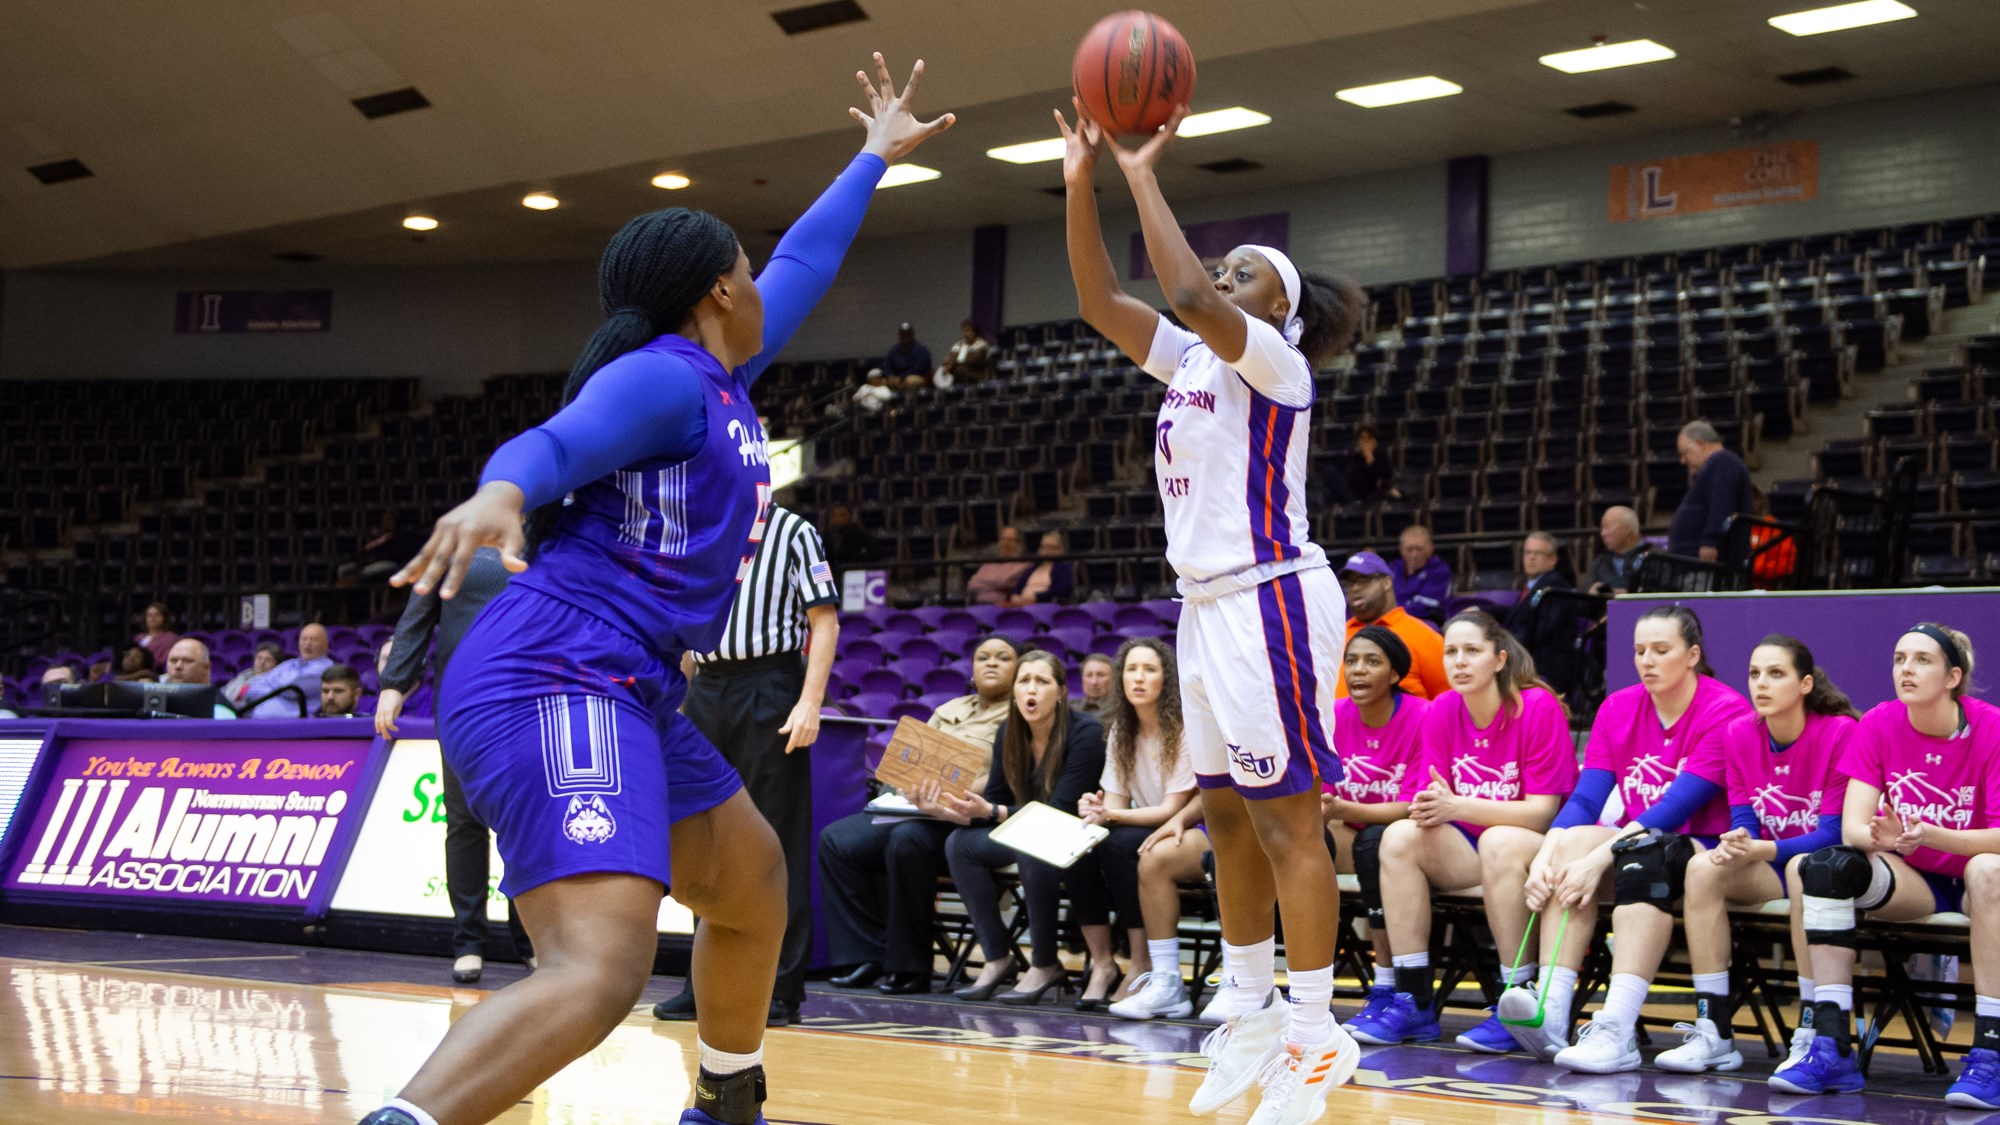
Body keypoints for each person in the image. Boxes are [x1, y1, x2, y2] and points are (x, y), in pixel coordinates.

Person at [359, 54, 952, 1125]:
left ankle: (724, 1102)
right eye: (748, 269)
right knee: (597, 968)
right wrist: (501, 490)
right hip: (556, 671)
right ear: (720, 289)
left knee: (751, 880)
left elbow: (808, 257)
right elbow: (558, 438)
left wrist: (869, 155)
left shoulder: (721, 382)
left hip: (625, 683)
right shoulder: (662, 378)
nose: (768, 283)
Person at [1059, 99, 1368, 1125]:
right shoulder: (1191, 362)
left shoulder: (1275, 365)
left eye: (1252, 275)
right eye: (1229, 268)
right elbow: (1103, 298)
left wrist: (1143, 172)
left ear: (1278, 312)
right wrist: (1077, 181)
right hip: (1204, 609)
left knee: (1286, 822)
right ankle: (1246, 1010)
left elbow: (1185, 287)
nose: (1227, 278)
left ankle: (1320, 1035)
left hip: (1271, 597)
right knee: (1227, 814)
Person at [1558, 635, 1856, 1076]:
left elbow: (1834, 833)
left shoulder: (1839, 732)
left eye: (1776, 674)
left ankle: (1812, 1031)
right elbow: (1744, 816)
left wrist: (1763, 848)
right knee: (1702, 867)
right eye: (1755, 674)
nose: (1761, 684)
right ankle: (1714, 1029)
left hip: (1817, 865)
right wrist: (1741, 842)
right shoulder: (1740, 733)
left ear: (1806, 684)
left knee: (1801, 869)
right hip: (1765, 857)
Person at [1510, 606, 1753, 1062]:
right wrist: (1549, 852)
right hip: (1638, 845)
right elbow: (1585, 800)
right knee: (1576, 839)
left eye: (1662, 650)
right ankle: (1553, 1007)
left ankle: (1616, 1027)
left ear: (1693, 655)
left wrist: (1595, 860)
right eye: (1640, 650)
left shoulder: (1726, 711)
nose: (1647, 660)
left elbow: (1675, 808)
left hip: (1702, 847)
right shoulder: (1618, 706)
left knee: (1634, 855)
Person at [1774, 624, 2000, 1105]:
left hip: (1973, 876)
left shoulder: (1991, 728)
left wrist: (1932, 836)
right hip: (1913, 877)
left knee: (1987, 871)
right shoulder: (1879, 721)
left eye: (1922, 660)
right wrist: (1890, 839)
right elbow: (1854, 827)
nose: (1906, 669)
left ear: (1953, 676)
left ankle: (1991, 1052)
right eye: (1900, 659)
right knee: (1824, 867)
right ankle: (1831, 1045)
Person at [1344, 611, 1575, 1050]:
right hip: (1468, 844)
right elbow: (1431, 800)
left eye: (1473, 651)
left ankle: (1516, 998)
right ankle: (1413, 999)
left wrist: (1457, 806)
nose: (1459, 662)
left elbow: (1543, 813)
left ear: (1500, 659)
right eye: (1451, 652)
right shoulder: (1443, 709)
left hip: (1538, 845)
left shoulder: (1536, 706)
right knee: (1397, 838)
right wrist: (1434, 808)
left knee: (1499, 841)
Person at [654, 504, 840, 1026]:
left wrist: (809, 701)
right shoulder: (699, 528)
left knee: (775, 840)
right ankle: (700, 983)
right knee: (702, 835)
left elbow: (823, 622)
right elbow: (684, 629)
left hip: (771, 684)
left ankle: (780, 987)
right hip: (708, 688)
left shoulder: (795, 530)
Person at [818, 635, 1018, 994]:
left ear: (1018, 670)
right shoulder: (949, 709)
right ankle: (867, 954)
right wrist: (903, 787)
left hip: (963, 819)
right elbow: (909, 765)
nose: (991, 662)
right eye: (983, 657)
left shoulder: (1019, 719)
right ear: (971, 669)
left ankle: (910, 967)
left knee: (906, 840)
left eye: (1003, 658)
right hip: (915, 809)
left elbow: (1006, 784)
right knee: (837, 839)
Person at [922, 652, 1112, 1005]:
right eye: (1024, 681)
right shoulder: (1008, 732)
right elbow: (990, 804)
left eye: (1042, 681)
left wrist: (993, 811)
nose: (1031, 689)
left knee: (1031, 845)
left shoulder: (1086, 732)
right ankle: (998, 958)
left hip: (1074, 833)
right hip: (1023, 830)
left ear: (1060, 691)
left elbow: (1060, 810)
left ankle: (1044, 963)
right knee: (960, 844)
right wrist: (948, 811)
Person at [378, 547, 525, 983]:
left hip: (530, 695)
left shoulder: (549, 538)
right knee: (463, 822)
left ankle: (534, 939)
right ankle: (468, 941)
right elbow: (416, 616)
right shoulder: (455, 546)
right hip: (462, 699)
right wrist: (395, 683)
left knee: (525, 822)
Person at [1079, 639, 1198, 1016]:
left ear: (1167, 679)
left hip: (1189, 826)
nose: (1139, 678)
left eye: (1149, 669)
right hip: (1142, 825)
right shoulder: (1121, 730)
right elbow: (1113, 803)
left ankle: (1142, 962)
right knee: (1084, 845)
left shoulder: (1183, 729)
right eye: (1131, 669)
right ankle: (1103, 961)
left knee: (1115, 844)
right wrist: (1097, 809)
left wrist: (1111, 817)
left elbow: (1171, 808)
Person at [1319, 627, 1428, 1032]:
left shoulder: (1422, 716)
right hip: (1352, 826)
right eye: (1351, 661)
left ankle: (1386, 987)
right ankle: (1301, 989)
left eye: (1372, 662)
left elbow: (1414, 804)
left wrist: (1346, 807)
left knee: (1373, 843)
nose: (1358, 671)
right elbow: (1326, 802)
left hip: (1410, 836)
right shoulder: (1334, 714)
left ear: (1395, 674)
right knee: (1310, 844)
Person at [1336, 551, 1446, 699]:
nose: (1354, 588)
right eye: (1349, 583)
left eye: (1363, 580)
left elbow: (1449, 702)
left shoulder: (1424, 636)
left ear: (1387, 582)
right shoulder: (1336, 636)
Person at [1668, 420, 1754, 562]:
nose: (1682, 461)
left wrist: (1710, 539)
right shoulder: (1717, 464)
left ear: (1701, 443)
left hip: (1706, 562)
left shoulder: (1722, 461)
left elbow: (1722, 502)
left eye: (1684, 453)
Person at [1503, 533, 1578, 692]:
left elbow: (1542, 630)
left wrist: (1504, 645)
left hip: (1542, 665)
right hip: (1525, 658)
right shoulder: (1533, 586)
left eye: (1537, 553)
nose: (1531, 558)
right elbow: (1518, 614)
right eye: (1528, 552)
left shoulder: (1555, 588)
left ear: (1552, 560)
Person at [246, 623, 334, 718]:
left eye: (314, 639)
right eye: (304, 639)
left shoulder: (326, 669)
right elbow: (253, 688)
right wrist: (281, 689)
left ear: (326, 644)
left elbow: (292, 691)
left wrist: (271, 684)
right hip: (259, 723)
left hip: (296, 727)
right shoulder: (287, 664)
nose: (307, 644)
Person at [163, 638, 237, 718]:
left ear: (206, 667)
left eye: (187, 661)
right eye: (173, 660)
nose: (178, 666)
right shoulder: (159, 702)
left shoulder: (220, 712)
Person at [1393, 525, 1453, 625]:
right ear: (1401, 549)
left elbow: (1427, 607)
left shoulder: (1440, 570)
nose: (1414, 554)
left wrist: (1394, 608)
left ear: (1430, 548)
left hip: (1426, 623)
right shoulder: (1393, 568)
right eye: (1409, 549)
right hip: (1394, 621)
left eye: (1419, 549)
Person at [1585, 506, 1646, 596]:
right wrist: (1590, 596)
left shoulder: (1655, 558)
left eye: (1607, 527)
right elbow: (1579, 603)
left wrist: (1628, 595)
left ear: (1626, 528)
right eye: (1602, 528)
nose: (1603, 534)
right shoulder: (1600, 563)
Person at [1003, 529, 1074, 607]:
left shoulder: (1063, 568)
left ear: (1060, 549)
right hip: (1020, 604)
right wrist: (1014, 596)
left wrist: (1037, 597)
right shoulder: (1032, 568)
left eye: (1051, 547)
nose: (1047, 551)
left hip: (1044, 606)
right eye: (1044, 547)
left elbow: (1061, 590)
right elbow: (1017, 587)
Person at [966, 525, 1032, 605]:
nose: (1005, 543)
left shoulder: (1024, 565)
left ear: (1019, 544)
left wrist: (984, 581)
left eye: (1010, 540)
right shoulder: (989, 563)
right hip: (978, 604)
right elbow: (972, 584)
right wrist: (996, 584)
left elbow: (1004, 583)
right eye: (1003, 539)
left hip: (1002, 607)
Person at [1340, 423, 1397, 503]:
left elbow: (1386, 475)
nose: (1365, 442)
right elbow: (1349, 477)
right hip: (1352, 493)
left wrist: (1370, 459)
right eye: (1362, 438)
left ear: (1375, 441)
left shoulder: (1382, 457)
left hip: (1370, 495)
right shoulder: (1353, 457)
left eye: (1369, 438)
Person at [223, 642, 284, 712]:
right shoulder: (243, 676)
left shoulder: (276, 684)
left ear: (276, 665)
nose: (262, 662)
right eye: (259, 658)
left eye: (268, 660)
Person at [820, 502, 877, 575]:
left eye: (842, 515)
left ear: (850, 516)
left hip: (854, 575)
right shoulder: (827, 535)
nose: (838, 518)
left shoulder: (860, 535)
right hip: (832, 575)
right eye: (835, 515)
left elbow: (868, 558)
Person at [937, 319, 990, 384]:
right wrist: (947, 363)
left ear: (975, 332)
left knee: (960, 369)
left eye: (969, 331)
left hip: (976, 374)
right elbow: (950, 359)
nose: (966, 333)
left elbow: (971, 361)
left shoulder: (981, 345)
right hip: (958, 373)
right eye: (965, 331)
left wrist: (952, 362)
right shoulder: (958, 345)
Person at [883, 321, 932, 386]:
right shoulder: (894, 350)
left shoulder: (921, 350)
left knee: (909, 380)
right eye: (903, 334)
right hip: (897, 378)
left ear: (912, 334)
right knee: (882, 381)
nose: (905, 336)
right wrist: (891, 376)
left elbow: (917, 369)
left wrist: (901, 377)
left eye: (908, 334)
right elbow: (888, 365)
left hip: (916, 377)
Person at [135, 603, 178, 669]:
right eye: (149, 615)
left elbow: (164, 660)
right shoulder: (139, 637)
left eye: (157, 615)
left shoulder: (170, 638)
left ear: (164, 618)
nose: (152, 618)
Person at [1077, 653, 1116, 717]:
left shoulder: (1121, 712)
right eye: (1089, 675)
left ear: (1113, 679)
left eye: (1101, 675)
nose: (1094, 682)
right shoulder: (1069, 711)